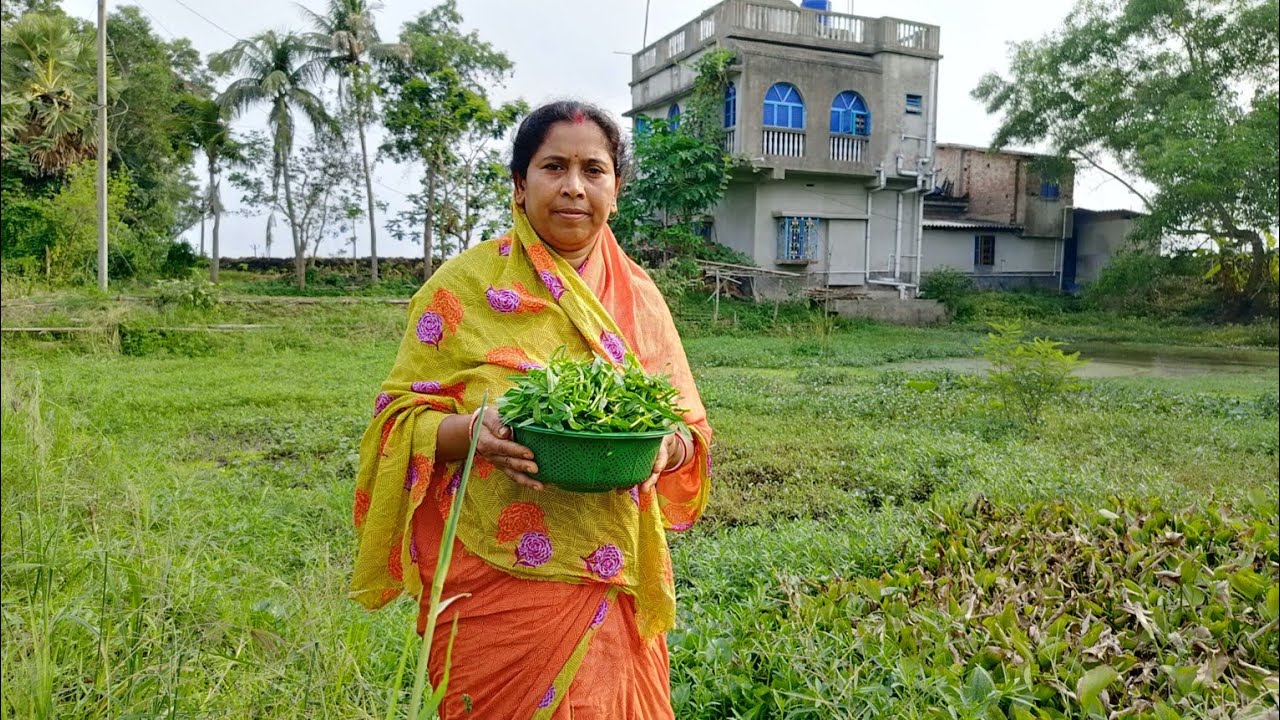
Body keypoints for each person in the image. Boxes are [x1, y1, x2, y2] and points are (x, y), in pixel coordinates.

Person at [350, 100, 713, 719]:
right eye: (553, 167)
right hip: (490, 575)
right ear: (520, 186)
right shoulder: (461, 288)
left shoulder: (641, 299)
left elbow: (688, 430)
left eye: (593, 170)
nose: (574, 187)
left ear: (616, 190)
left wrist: (662, 446)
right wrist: (473, 433)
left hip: (606, 566)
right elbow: (395, 424)